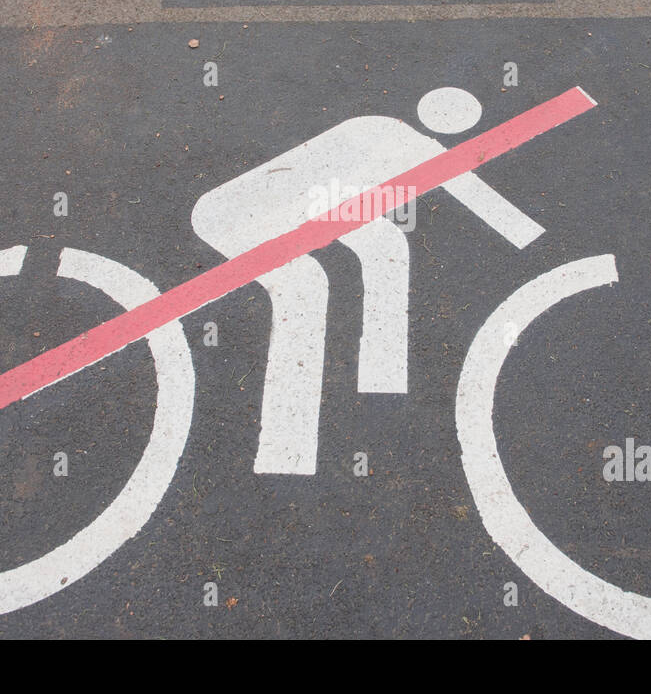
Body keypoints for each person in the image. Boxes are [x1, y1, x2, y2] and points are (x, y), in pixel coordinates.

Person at [190, 88, 543, 474]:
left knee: (384, 244)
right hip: (234, 218)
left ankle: (382, 381)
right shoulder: (390, 136)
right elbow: (478, 195)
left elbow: (471, 190)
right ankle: (286, 442)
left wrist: (525, 233)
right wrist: (532, 239)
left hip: (296, 208)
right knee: (305, 285)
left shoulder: (388, 133)